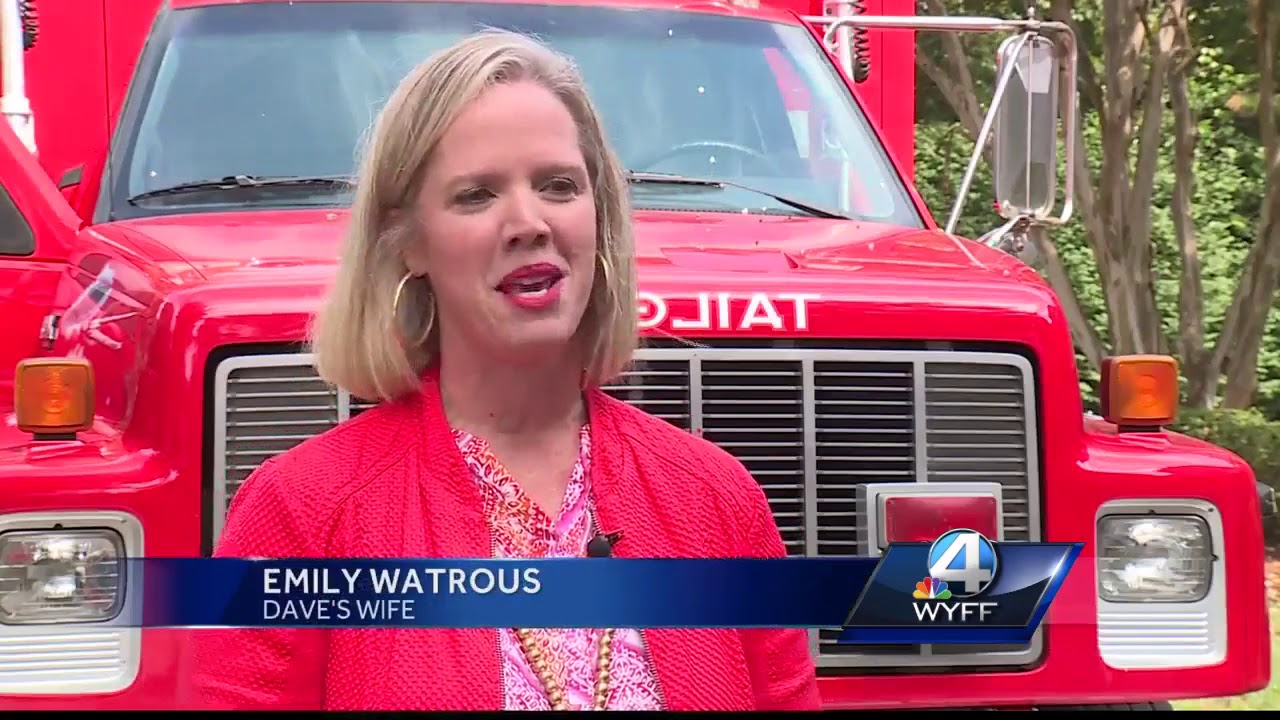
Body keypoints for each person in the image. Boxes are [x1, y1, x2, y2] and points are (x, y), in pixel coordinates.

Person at [190, 29, 821, 712]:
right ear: (409, 245)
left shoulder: (718, 500)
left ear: (600, 219)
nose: (529, 222)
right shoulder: (303, 514)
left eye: (557, 185)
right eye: (476, 195)